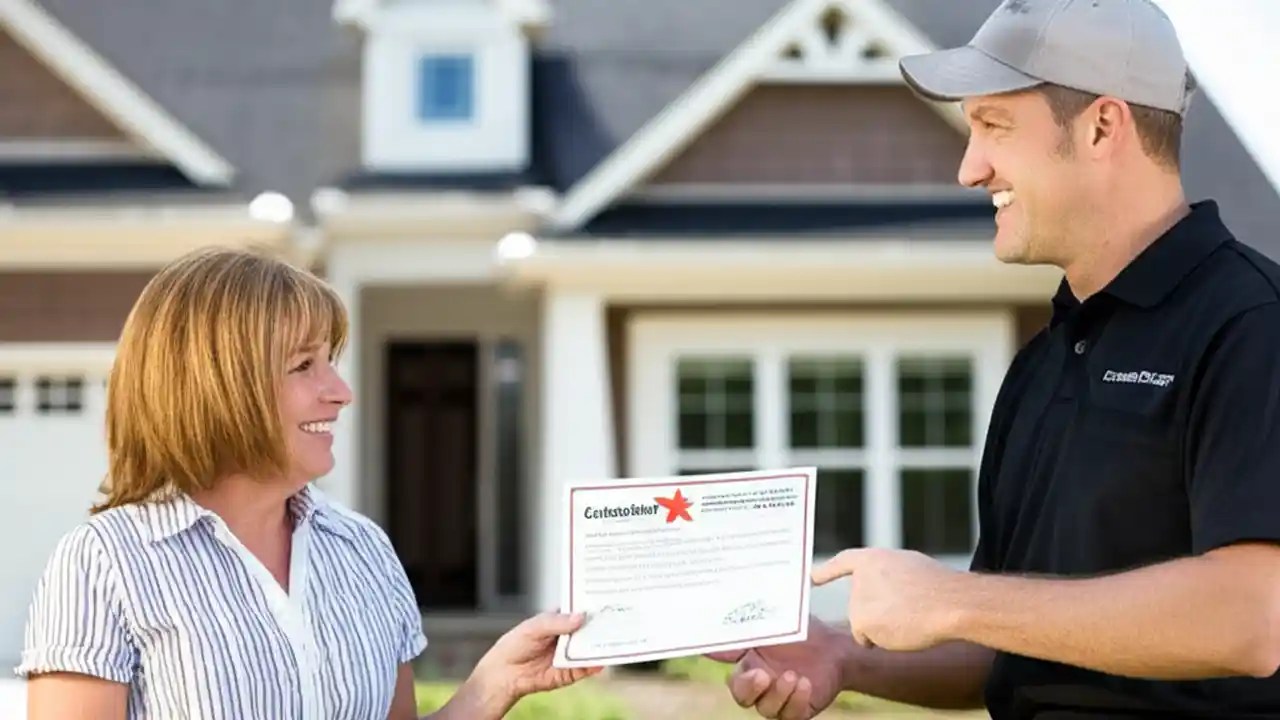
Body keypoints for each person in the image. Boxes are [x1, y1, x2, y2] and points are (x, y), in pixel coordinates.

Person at [714, 0, 1280, 718]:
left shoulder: (1252, 326)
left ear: (1102, 127)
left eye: (995, 126)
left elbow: (1254, 617)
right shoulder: (1043, 363)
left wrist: (954, 599)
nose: (969, 168)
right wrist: (844, 656)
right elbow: (1011, 640)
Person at [16, 247, 602, 719]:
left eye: (331, 361)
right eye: (303, 366)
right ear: (216, 387)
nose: (340, 392)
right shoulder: (104, 565)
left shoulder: (363, 550)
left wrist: (495, 684)